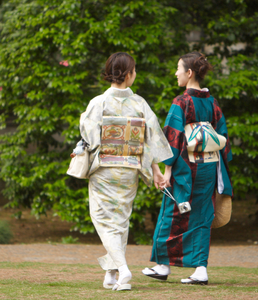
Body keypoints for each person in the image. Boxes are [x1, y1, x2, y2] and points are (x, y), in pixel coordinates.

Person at [76, 52, 173, 291]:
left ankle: (124, 269)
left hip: (105, 170)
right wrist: (156, 170)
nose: (135, 74)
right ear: (128, 74)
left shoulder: (99, 102)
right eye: (134, 70)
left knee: (102, 219)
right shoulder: (139, 103)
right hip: (130, 168)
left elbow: (89, 137)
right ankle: (111, 274)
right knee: (119, 222)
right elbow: (151, 141)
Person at [142, 52, 233, 285]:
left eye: (178, 68)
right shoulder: (212, 103)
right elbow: (222, 137)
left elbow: (172, 138)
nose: (176, 73)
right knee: (203, 216)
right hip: (210, 167)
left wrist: (168, 169)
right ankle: (200, 269)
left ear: (189, 73)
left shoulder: (181, 102)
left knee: (171, 213)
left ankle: (163, 265)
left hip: (186, 167)